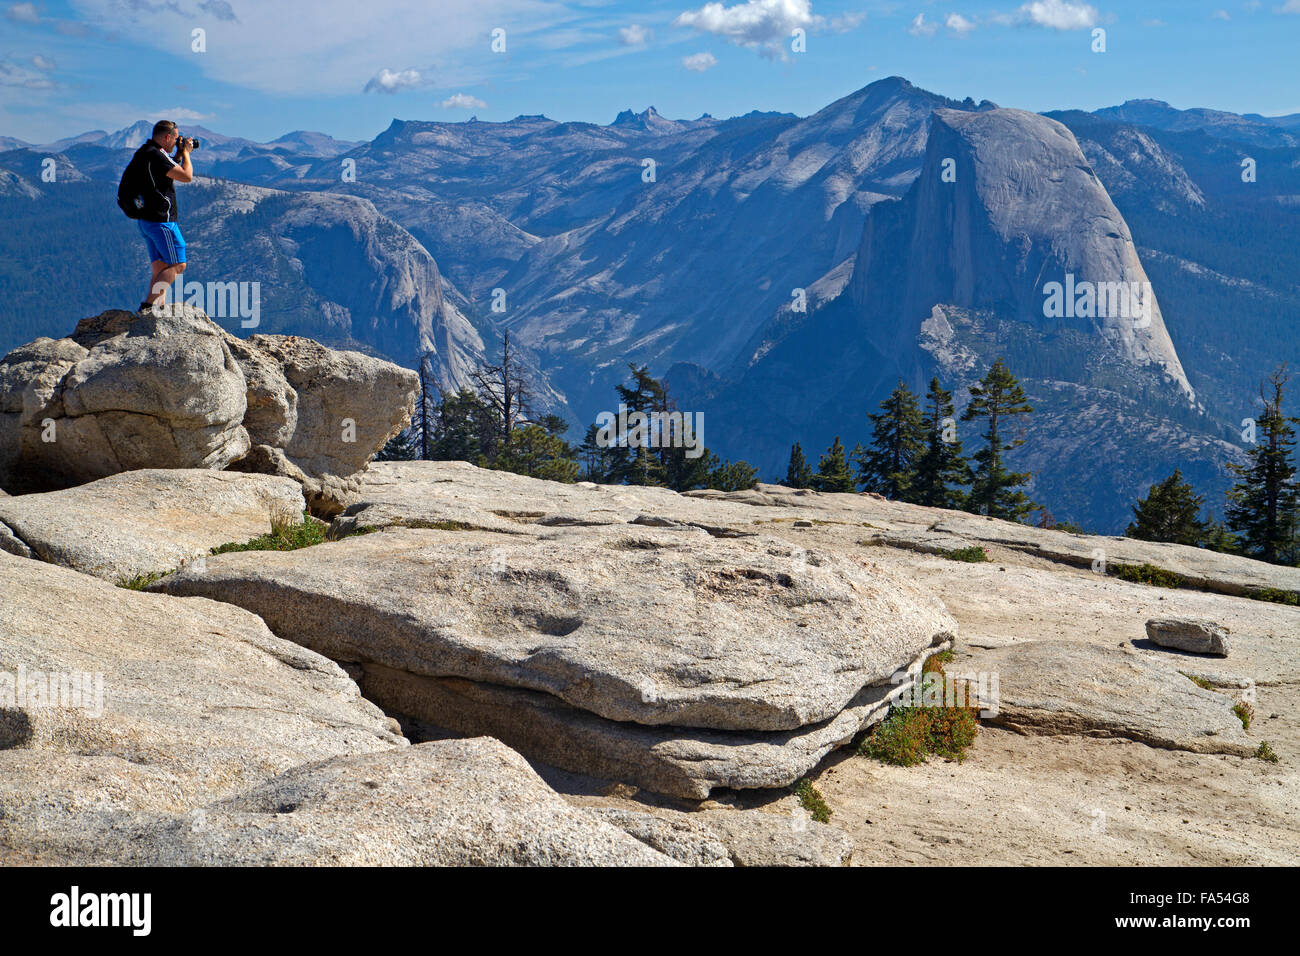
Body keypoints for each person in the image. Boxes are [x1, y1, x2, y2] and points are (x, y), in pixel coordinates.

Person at [124, 120, 195, 310]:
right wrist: (186, 154)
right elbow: (186, 176)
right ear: (167, 137)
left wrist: (178, 154)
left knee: (161, 267)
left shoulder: (145, 152)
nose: (177, 142)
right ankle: (148, 306)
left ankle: (157, 306)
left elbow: (166, 172)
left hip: (146, 220)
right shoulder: (156, 155)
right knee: (178, 264)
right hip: (162, 221)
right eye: (175, 138)